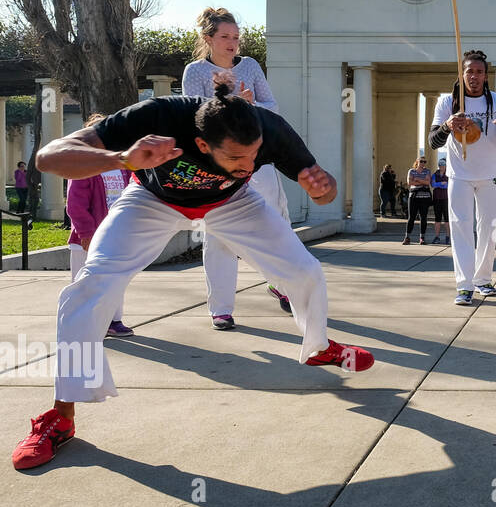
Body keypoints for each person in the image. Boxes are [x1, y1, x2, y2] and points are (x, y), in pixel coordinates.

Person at [11, 82, 374, 471]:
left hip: (231, 202)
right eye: (236, 158)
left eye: (253, 157)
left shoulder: (270, 130)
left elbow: (325, 194)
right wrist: (123, 159)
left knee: (305, 271)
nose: (248, 166)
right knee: (88, 287)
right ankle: (61, 416)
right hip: (152, 200)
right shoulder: (158, 116)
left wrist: (321, 188)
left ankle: (318, 346)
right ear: (202, 145)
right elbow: (48, 158)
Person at [182, 7, 293, 330]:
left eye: (235, 37)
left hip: (257, 159)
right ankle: (221, 309)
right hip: (217, 166)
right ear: (208, 39)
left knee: (275, 222)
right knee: (219, 235)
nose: (232, 43)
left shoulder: (251, 67)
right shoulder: (195, 72)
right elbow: (194, 117)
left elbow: (272, 106)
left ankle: (281, 284)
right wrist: (231, 104)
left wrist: (252, 105)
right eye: (225, 37)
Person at [429, 50, 496, 305]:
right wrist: (448, 126)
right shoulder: (448, 103)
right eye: (470, 71)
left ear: (486, 75)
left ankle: (483, 279)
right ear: (462, 73)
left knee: (489, 229)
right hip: (459, 176)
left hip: (490, 174)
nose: (474, 77)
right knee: (460, 228)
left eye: (479, 72)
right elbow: (433, 141)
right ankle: (464, 285)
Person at [65, 114, 133, 338]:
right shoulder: (83, 168)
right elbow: (75, 204)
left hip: (116, 234)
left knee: (116, 279)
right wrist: (86, 232)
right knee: (85, 281)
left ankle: (113, 320)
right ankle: (82, 322)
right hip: (87, 237)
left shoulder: (123, 167)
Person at [403, 155, 432, 245]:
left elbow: (428, 182)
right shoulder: (411, 171)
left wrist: (417, 179)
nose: (423, 163)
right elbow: (409, 182)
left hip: (425, 198)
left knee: (423, 217)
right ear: (417, 162)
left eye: (424, 162)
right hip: (413, 197)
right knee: (411, 217)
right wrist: (422, 181)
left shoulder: (427, 171)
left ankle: (422, 238)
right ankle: (407, 237)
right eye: (421, 161)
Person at [431, 158, 449, 244]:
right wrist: (441, 183)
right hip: (437, 199)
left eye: (443, 165)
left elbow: (447, 186)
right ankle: (437, 237)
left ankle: (448, 236)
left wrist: (439, 185)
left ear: (446, 166)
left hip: (446, 199)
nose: (441, 167)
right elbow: (433, 184)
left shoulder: (448, 174)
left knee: (447, 219)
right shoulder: (435, 174)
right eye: (440, 165)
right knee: (437, 219)